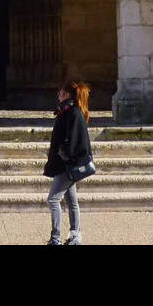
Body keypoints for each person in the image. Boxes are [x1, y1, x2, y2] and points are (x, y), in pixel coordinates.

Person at [43, 80, 94, 246]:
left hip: (66, 164)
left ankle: (56, 238)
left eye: (60, 92)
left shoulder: (72, 112)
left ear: (65, 94)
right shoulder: (67, 110)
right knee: (72, 202)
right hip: (65, 163)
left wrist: (63, 153)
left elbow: (74, 140)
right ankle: (75, 236)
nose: (58, 95)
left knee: (53, 199)